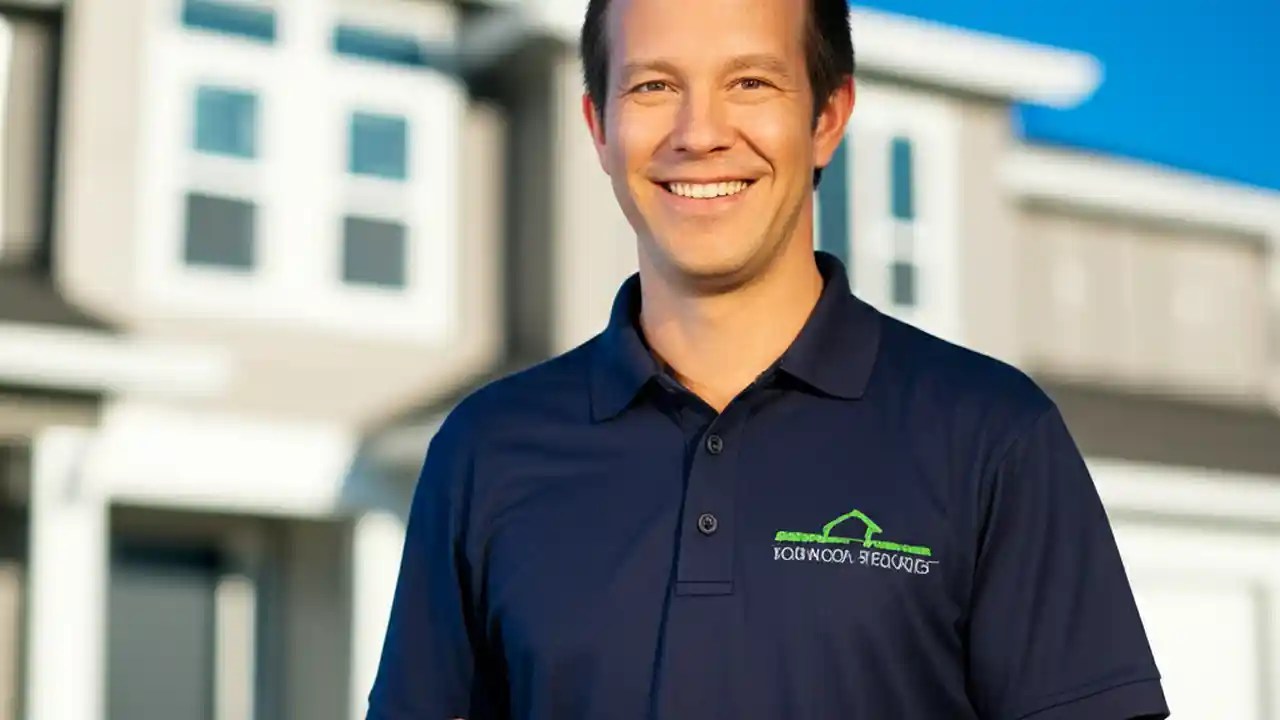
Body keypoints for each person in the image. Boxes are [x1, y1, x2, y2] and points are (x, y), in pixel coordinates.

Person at [366, 0, 1171, 716]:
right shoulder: (487, 452)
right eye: (653, 87)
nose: (700, 132)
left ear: (828, 115)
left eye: (750, 82)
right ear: (597, 127)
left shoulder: (992, 439)